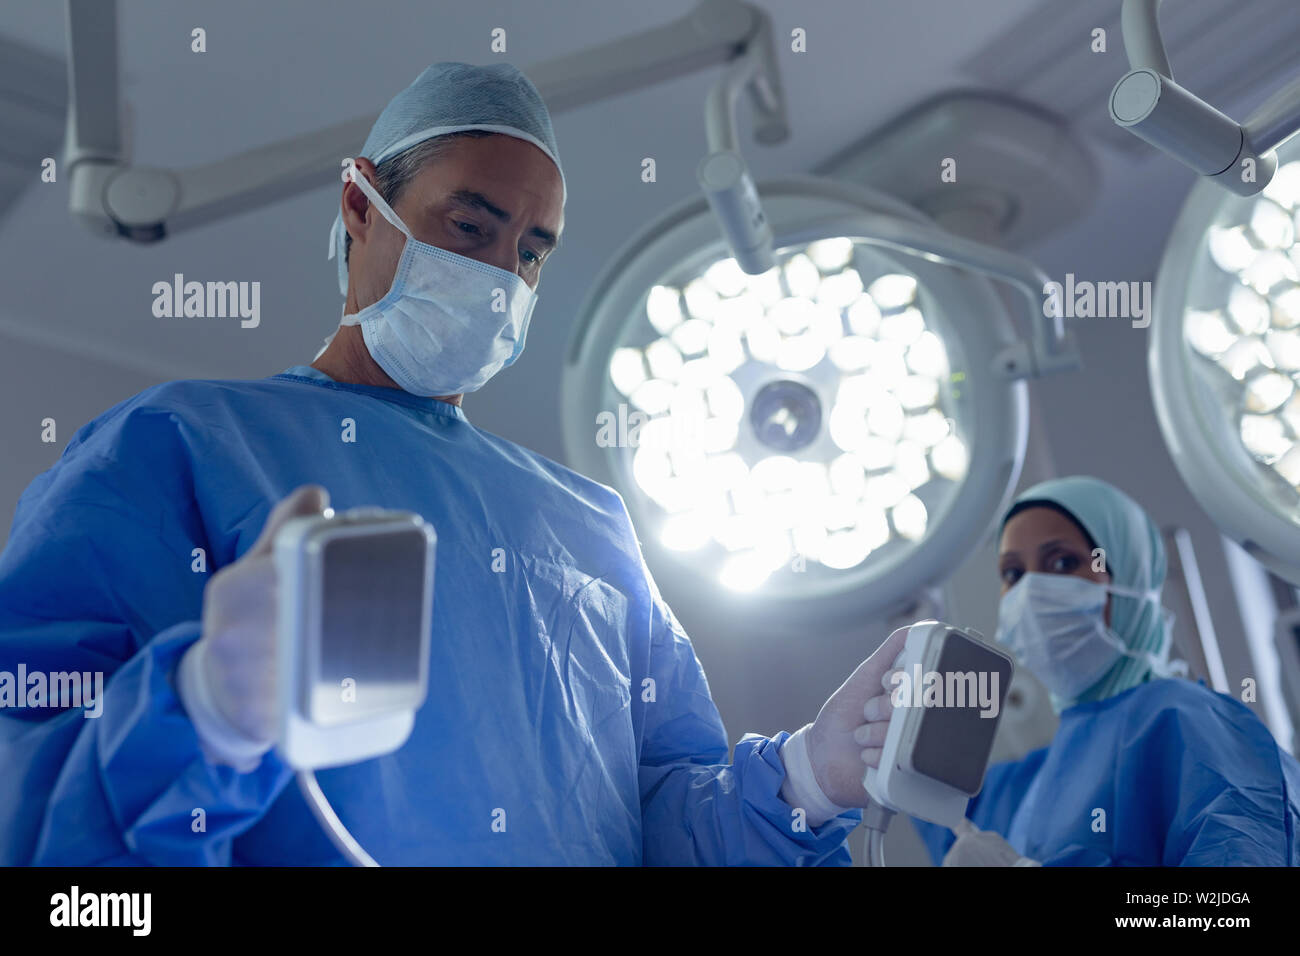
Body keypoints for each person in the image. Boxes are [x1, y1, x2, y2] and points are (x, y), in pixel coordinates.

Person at [0, 62, 902, 866]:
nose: (503, 278)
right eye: (472, 226)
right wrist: (205, 707)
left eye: (532, 253)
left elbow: (663, 814)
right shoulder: (183, 443)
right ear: (360, 204)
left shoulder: (589, 524)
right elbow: (30, 795)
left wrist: (810, 779)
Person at [915, 475, 1300, 866]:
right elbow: (933, 811)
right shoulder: (1029, 781)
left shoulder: (1189, 722)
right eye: (1013, 574)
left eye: (1063, 562)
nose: (1031, 590)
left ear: (1131, 575)